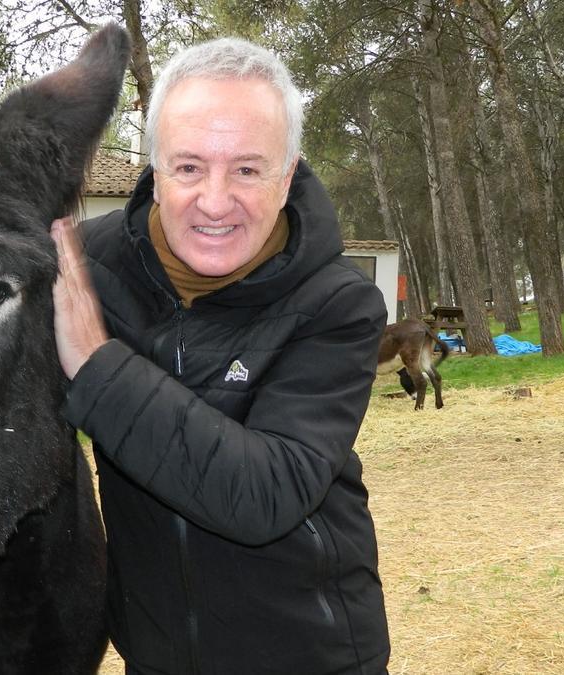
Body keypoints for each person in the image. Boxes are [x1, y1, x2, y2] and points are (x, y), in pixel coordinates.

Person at [51, 37, 391, 674]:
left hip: (306, 656)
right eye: (188, 167)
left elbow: (265, 493)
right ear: (154, 171)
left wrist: (96, 366)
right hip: (153, 656)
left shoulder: (338, 304)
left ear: (287, 176)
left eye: (247, 169)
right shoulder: (84, 273)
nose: (213, 200)